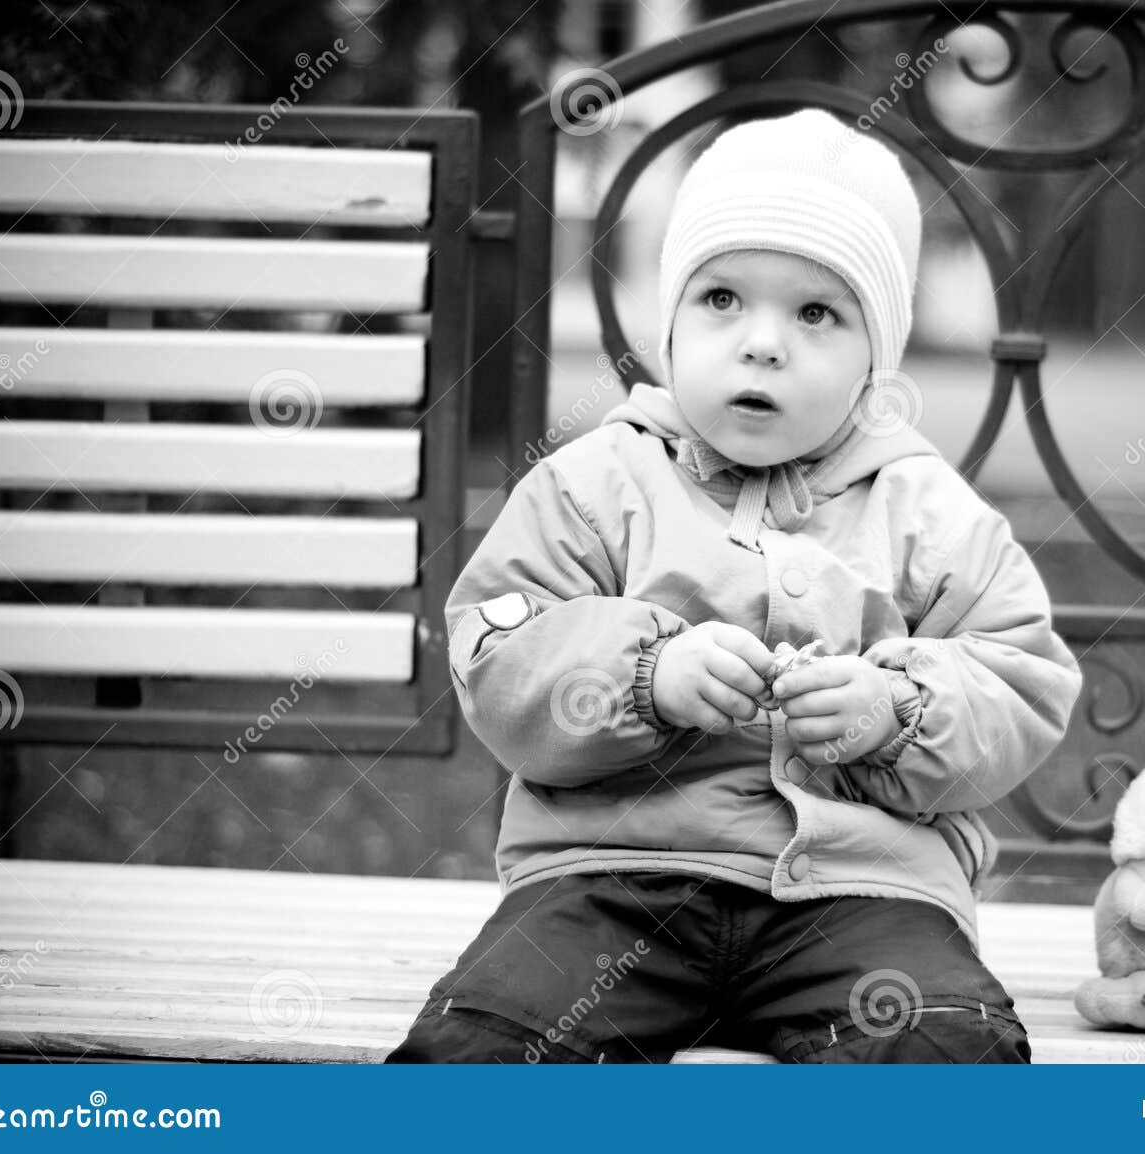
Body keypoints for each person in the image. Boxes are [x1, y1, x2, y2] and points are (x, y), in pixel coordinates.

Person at [386, 108, 1083, 1064]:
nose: (763, 343)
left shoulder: (925, 511)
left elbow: (1021, 680)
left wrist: (894, 708)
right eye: (721, 299)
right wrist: (647, 675)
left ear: (876, 357)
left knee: (939, 1051)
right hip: (610, 877)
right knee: (489, 1049)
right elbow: (500, 657)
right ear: (669, 317)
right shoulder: (595, 486)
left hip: (861, 890)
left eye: (815, 313)